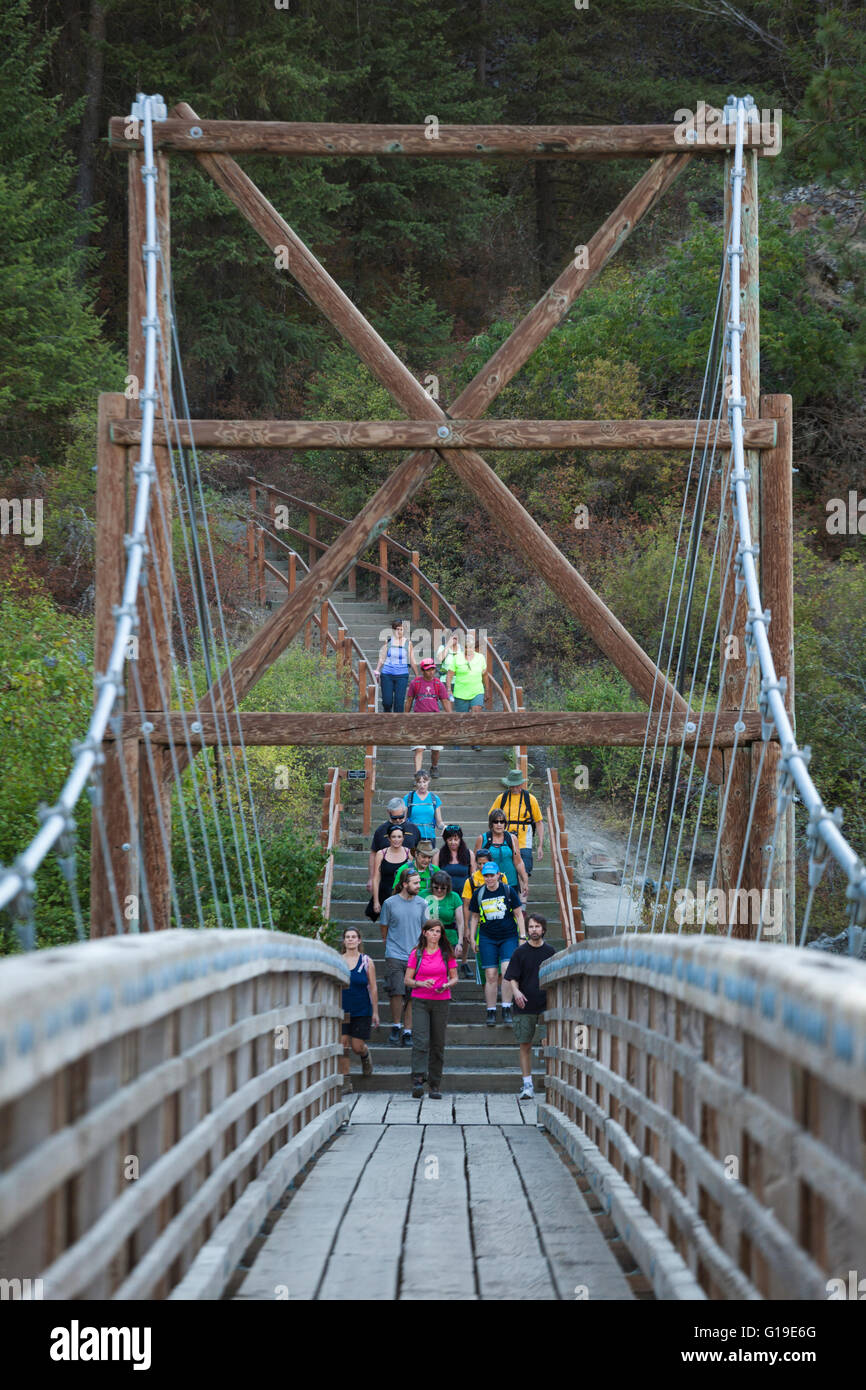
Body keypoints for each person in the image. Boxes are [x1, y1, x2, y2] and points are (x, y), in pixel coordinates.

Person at [468, 860, 526, 1027]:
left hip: (508, 936)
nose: (489, 878)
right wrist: (472, 937)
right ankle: (491, 1010)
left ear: (498, 875)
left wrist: (522, 936)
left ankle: (506, 1007)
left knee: (507, 969)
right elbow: (474, 917)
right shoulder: (479, 893)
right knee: (491, 974)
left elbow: (519, 914)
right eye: (486, 876)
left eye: (492, 875)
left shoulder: (508, 890)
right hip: (487, 937)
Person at [504, 914, 556, 1101]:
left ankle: (552, 1082)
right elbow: (512, 977)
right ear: (527, 930)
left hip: (546, 1004)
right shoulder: (520, 952)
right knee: (524, 1044)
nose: (534, 930)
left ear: (543, 929)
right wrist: (516, 992)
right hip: (523, 1004)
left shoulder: (551, 952)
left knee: (548, 1043)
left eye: (537, 926)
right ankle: (527, 1085)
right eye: (531, 927)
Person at [404, 919, 458, 1098]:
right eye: (432, 931)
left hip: (441, 1000)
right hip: (420, 1000)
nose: (435, 934)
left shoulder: (446, 953)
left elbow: (454, 977)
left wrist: (447, 985)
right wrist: (420, 983)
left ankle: (435, 1084)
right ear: (424, 932)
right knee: (420, 1040)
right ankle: (418, 1080)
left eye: (438, 932)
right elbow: (407, 980)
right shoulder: (417, 953)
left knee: (438, 1043)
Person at [379, 869, 427, 1046]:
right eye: (415, 883)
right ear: (405, 884)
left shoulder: (422, 903)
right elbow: (384, 927)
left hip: (415, 955)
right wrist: (389, 944)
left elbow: (425, 929)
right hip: (395, 953)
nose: (419, 886)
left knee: (412, 994)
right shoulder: (389, 903)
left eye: (419, 882)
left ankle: (408, 1031)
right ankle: (396, 1025)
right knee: (396, 991)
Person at [339, 927, 379, 1093]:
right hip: (342, 1009)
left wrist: (375, 1012)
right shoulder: (337, 961)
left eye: (353, 937)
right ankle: (346, 1082)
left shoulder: (366, 961)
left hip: (362, 1009)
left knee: (357, 1046)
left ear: (359, 940)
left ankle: (365, 1054)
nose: (350, 939)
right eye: (347, 937)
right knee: (343, 1044)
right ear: (344, 941)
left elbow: (373, 988)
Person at [490, 770, 544, 884]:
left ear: (521, 784)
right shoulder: (502, 798)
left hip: (524, 841)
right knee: (507, 871)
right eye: (512, 785)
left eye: (517, 785)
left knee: (524, 871)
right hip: (505, 840)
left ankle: (523, 894)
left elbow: (539, 822)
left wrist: (540, 845)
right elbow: (492, 818)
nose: (514, 788)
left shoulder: (530, 799)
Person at [440, 629, 487, 750]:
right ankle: (458, 742)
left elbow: (485, 674)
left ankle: (474, 741)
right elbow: (449, 675)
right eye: (466, 647)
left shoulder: (481, 658)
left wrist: (486, 690)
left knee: (476, 714)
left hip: (477, 690)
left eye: (470, 647)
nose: (468, 650)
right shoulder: (457, 658)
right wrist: (449, 689)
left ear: (474, 647)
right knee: (461, 718)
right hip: (460, 692)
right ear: (464, 647)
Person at [405, 659, 451, 777]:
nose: (431, 672)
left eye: (433, 669)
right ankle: (418, 774)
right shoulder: (415, 683)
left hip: (435, 719)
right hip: (418, 719)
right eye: (428, 670)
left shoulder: (438, 684)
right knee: (419, 748)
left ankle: (434, 766)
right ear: (422, 670)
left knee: (436, 748)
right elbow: (409, 700)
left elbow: (445, 701)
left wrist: (451, 716)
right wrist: (405, 717)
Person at [367, 798, 421, 893]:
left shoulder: (414, 829)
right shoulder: (381, 830)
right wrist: (371, 878)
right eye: (394, 818)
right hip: (386, 878)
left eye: (401, 816)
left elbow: (419, 853)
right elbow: (373, 853)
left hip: (407, 879)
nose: (398, 820)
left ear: (405, 811)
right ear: (388, 812)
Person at [474, 810, 529, 900]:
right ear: (491, 823)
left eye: (502, 821)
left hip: (511, 883)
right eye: (496, 822)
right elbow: (475, 862)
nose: (499, 824)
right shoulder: (482, 839)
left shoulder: (512, 838)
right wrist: (474, 880)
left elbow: (518, 862)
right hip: (489, 884)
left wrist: (525, 881)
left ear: (505, 823)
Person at [368, 824, 413, 920]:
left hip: (402, 895)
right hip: (384, 894)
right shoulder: (381, 854)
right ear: (389, 838)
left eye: (399, 837)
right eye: (393, 837)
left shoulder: (409, 853)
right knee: (386, 923)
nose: (396, 839)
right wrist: (376, 901)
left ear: (403, 838)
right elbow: (376, 879)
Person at [373, 618, 418, 713]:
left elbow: (412, 660)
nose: (399, 631)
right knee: (387, 702)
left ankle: (398, 721)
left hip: (402, 676)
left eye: (401, 629)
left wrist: (417, 675)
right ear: (394, 630)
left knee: (399, 704)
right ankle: (387, 718)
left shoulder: (408, 643)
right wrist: (377, 669)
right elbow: (382, 657)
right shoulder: (388, 641)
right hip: (387, 674)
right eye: (397, 629)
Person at [423, 870, 466, 958]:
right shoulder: (423, 895)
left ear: (448, 887)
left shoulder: (454, 897)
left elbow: (460, 922)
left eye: (443, 888)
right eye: (436, 887)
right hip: (427, 939)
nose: (439, 890)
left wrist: (460, 943)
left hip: (449, 938)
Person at [403, 770, 444, 839]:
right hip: (412, 837)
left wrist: (445, 827)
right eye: (419, 782)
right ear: (416, 782)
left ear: (429, 781)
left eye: (424, 782)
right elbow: (403, 820)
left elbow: (439, 823)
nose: (422, 785)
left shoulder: (435, 798)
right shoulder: (408, 798)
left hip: (430, 837)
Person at [439, 824, 475, 896]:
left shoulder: (469, 853)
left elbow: (473, 875)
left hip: (465, 894)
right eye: (450, 839)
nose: (453, 842)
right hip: (445, 895)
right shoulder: (439, 855)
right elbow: (435, 877)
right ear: (446, 840)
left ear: (460, 839)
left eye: (456, 839)